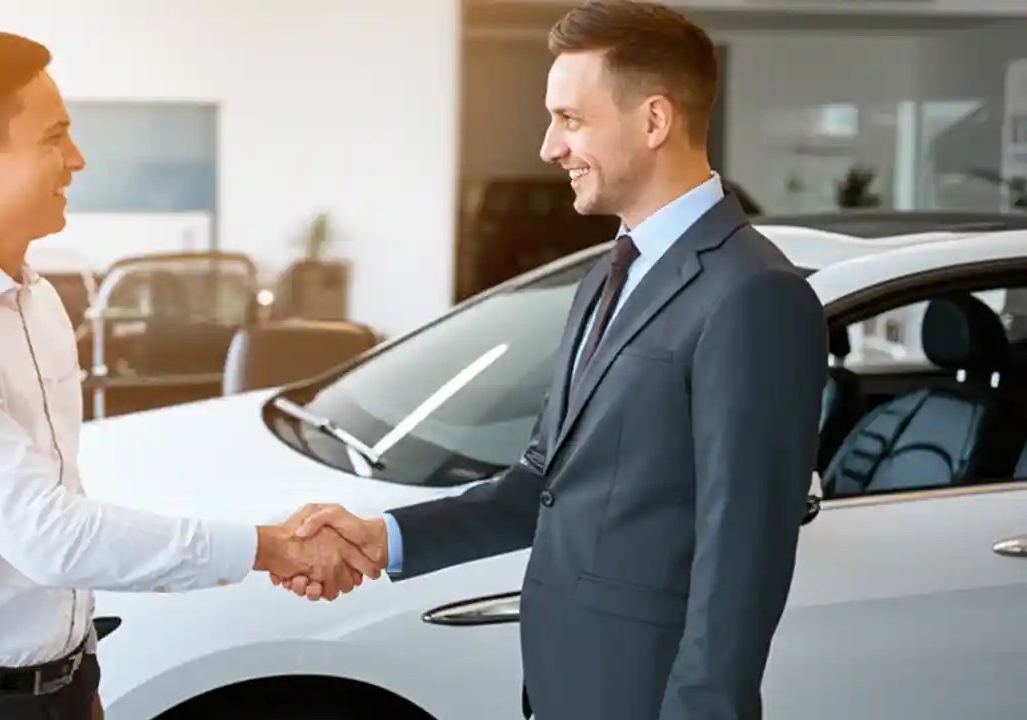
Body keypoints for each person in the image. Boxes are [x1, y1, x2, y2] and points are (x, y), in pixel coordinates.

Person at [278, 1, 828, 718]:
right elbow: (542, 484)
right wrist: (384, 538)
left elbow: (743, 561)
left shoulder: (754, 295)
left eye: (570, 119)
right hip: (567, 687)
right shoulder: (608, 273)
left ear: (654, 121)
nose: (548, 147)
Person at [0, 30, 375, 720]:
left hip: (60, 690)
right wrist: (271, 549)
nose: (77, 158)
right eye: (54, 137)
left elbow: (58, 502)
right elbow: (50, 535)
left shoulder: (37, 300)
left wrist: (74, 677)